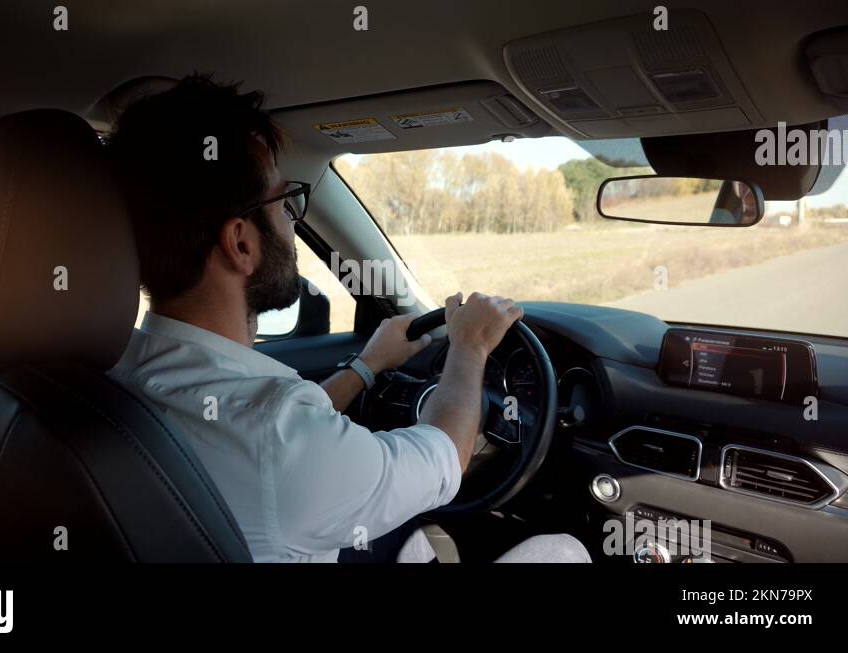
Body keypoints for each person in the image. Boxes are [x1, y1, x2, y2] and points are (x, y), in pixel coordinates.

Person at [107, 73, 589, 563]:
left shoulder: (116, 372)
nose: (293, 219)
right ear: (241, 243)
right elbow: (445, 457)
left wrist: (368, 365)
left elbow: (269, 429)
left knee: (414, 542)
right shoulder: (275, 435)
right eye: (283, 202)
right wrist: (470, 347)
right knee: (562, 549)